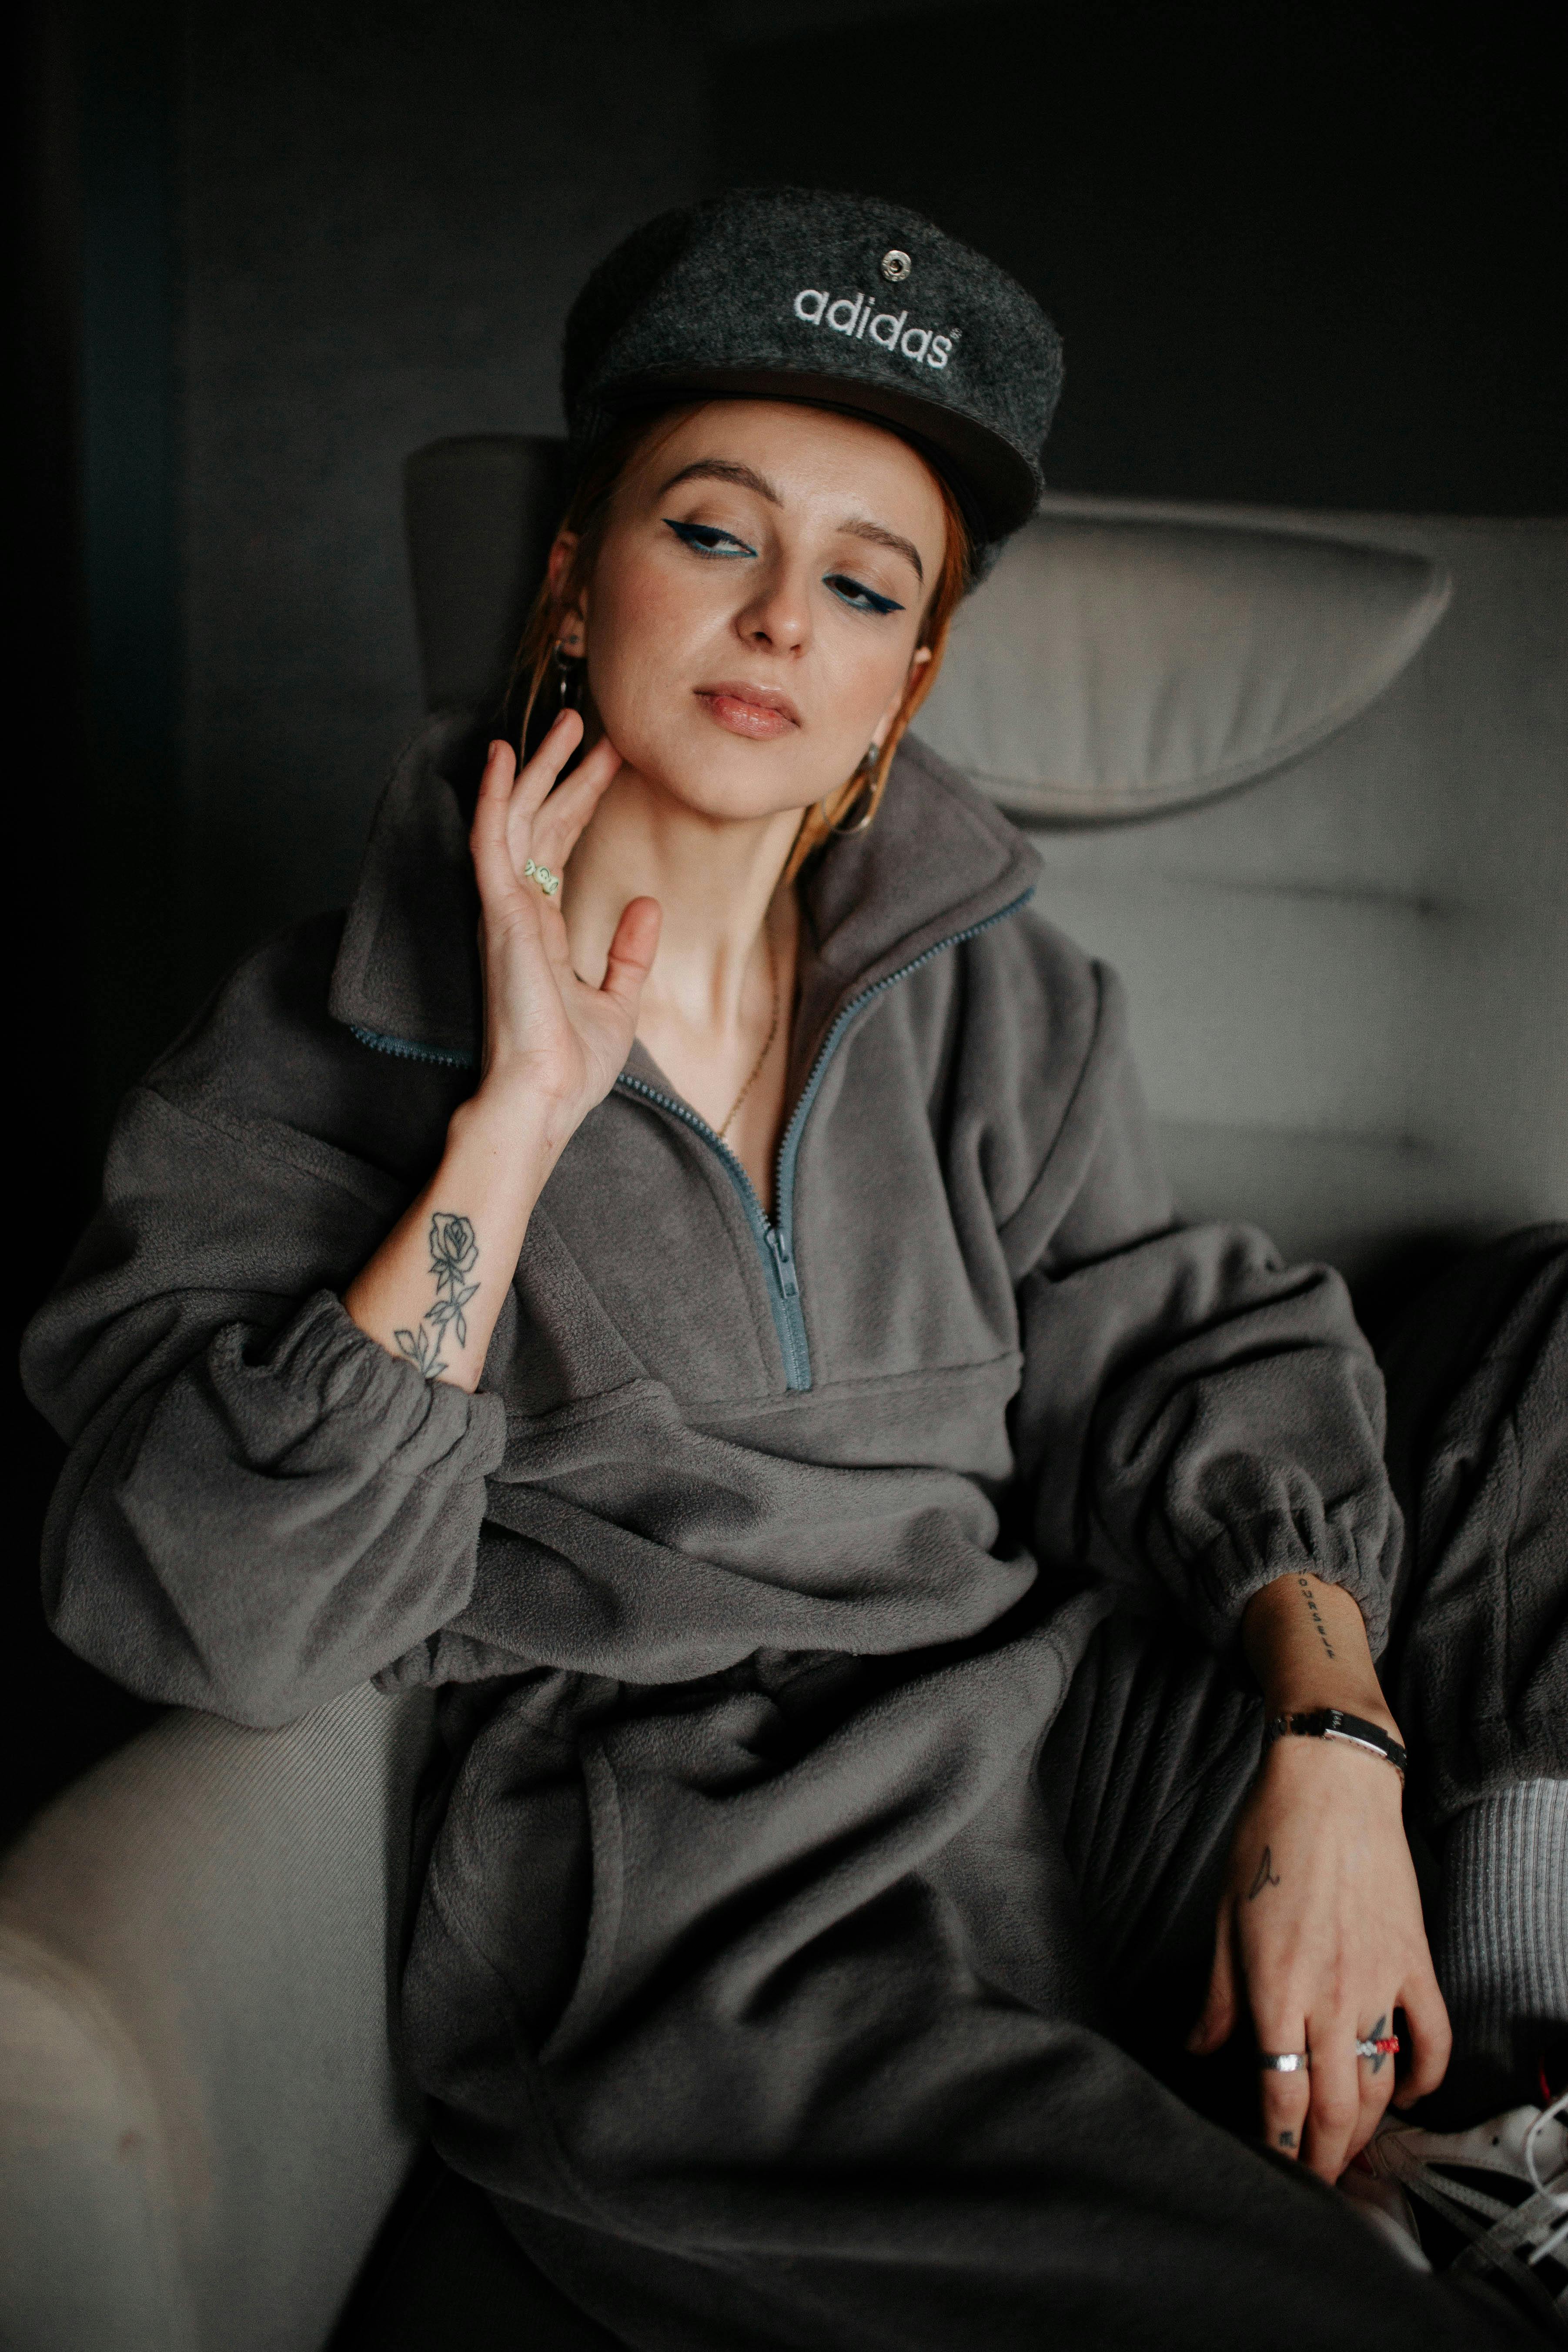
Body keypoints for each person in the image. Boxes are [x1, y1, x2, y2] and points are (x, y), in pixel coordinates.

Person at [22, 189, 1567, 2347]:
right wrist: (509, 1124)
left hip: (1051, 1737)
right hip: (690, 1897)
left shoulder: (997, 995)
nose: (777, 624)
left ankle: (1504, 2074)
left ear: (905, 676)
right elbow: (212, 1610)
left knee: (1548, 1338)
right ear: (573, 575)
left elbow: (1179, 1342)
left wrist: (1333, 1738)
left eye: (859, 583)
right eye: (712, 535)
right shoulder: (319, 1034)